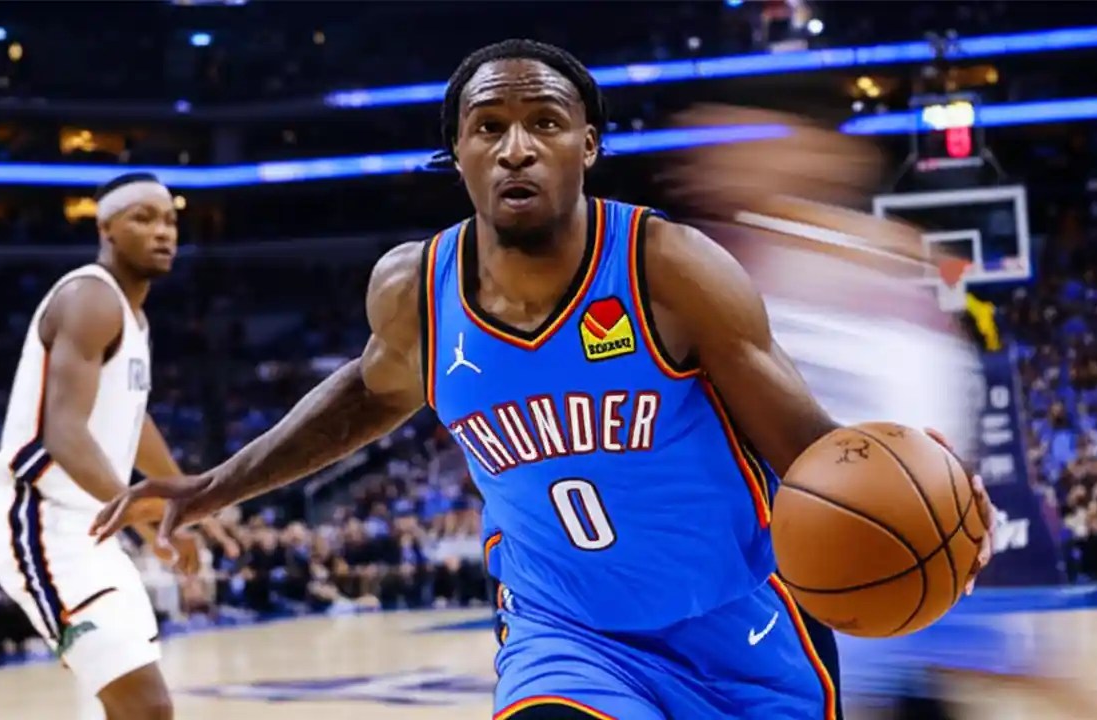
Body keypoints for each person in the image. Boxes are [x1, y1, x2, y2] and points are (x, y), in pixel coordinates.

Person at [93, 40, 996, 720]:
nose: (516, 147)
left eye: (545, 124)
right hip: (567, 635)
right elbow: (368, 393)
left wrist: (939, 508)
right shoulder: (414, 289)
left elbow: (807, 448)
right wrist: (219, 483)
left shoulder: (668, 268)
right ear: (458, 153)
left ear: (588, 146)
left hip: (740, 627)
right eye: (489, 127)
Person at [0, 172, 197, 720]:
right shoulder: (89, 298)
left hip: (92, 531)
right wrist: (155, 515)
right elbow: (64, 434)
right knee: (146, 707)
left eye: (170, 220)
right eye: (143, 219)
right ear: (105, 227)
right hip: (43, 523)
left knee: (127, 707)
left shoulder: (133, 317)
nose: (162, 232)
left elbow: (132, 421)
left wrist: (182, 499)